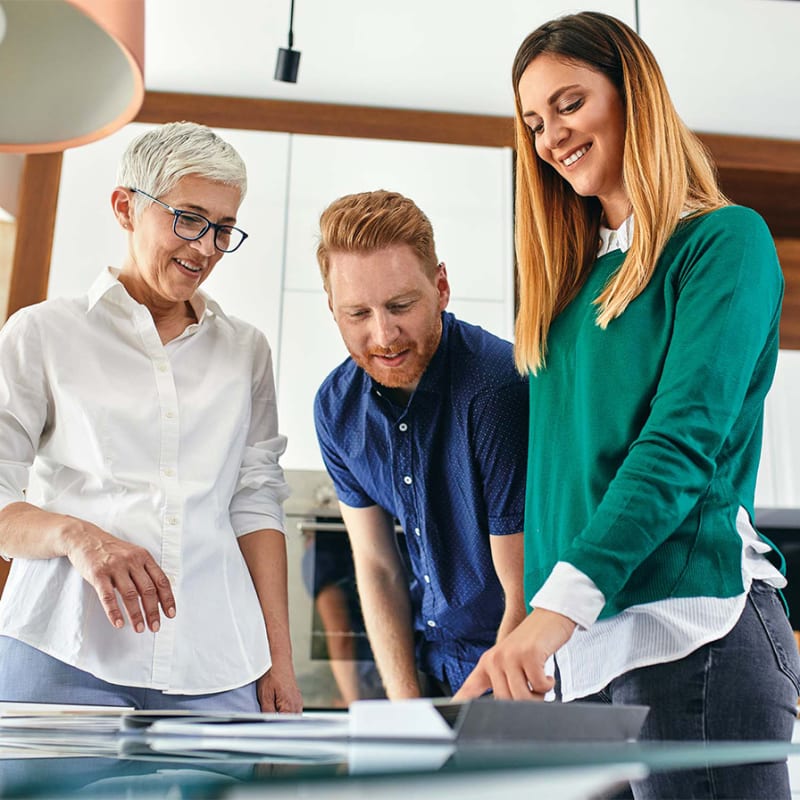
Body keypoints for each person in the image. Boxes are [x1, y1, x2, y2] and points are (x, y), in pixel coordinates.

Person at [454, 11, 800, 799]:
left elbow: (677, 447)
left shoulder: (721, 244)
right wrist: (529, 621)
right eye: (535, 121)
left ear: (633, 96)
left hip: (693, 637)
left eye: (569, 103)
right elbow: (560, 480)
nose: (551, 137)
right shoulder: (568, 293)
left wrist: (555, 612)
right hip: (585, 653)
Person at [0, 121, 302, 713]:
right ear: (125, 208)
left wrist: (279, 658)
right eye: (189, 219)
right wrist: (76, 536)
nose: (205, 248)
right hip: (62, 645)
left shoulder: (246, 351)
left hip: (217, 658)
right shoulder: (42, 333)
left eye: (223, 229)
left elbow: (255, 501)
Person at [313, 190, 529, 698]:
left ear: (441, 286)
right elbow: (377, 566)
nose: (384, 335)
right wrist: (407, 712)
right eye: (357, 314)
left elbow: (523, 595)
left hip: (519, 673)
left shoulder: (497, 391)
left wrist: (467, 727)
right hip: (431, 665)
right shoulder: (336, 408)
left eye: (401, 306)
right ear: (332, 309)